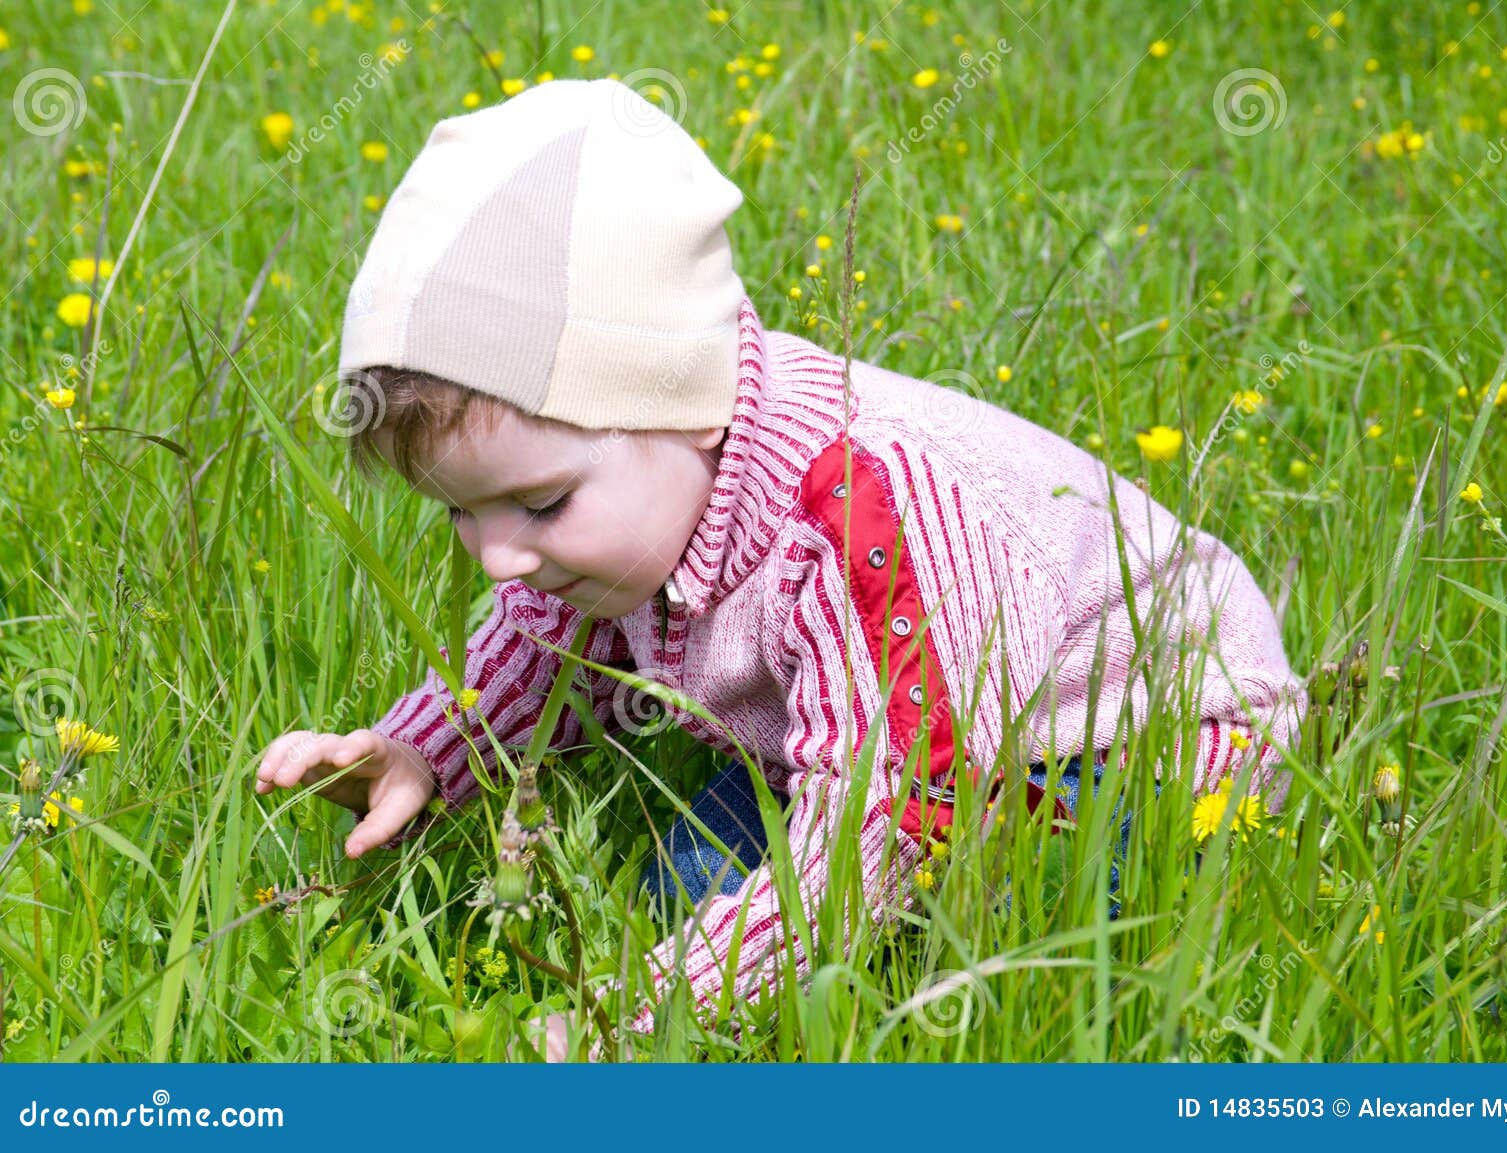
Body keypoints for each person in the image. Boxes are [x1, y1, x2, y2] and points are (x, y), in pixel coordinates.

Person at [254, 78, 1304, 1052]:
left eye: (539, 502)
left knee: (1033, 910)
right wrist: (422, 753)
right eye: (457, 515)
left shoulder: (855, 513)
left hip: (1140, 745)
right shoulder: (619, 508)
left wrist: (639, 1023)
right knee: (683, 882)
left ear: (686, 407)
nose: (499, 556)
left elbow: (890, 823)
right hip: (918, 735)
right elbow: (541, 651)